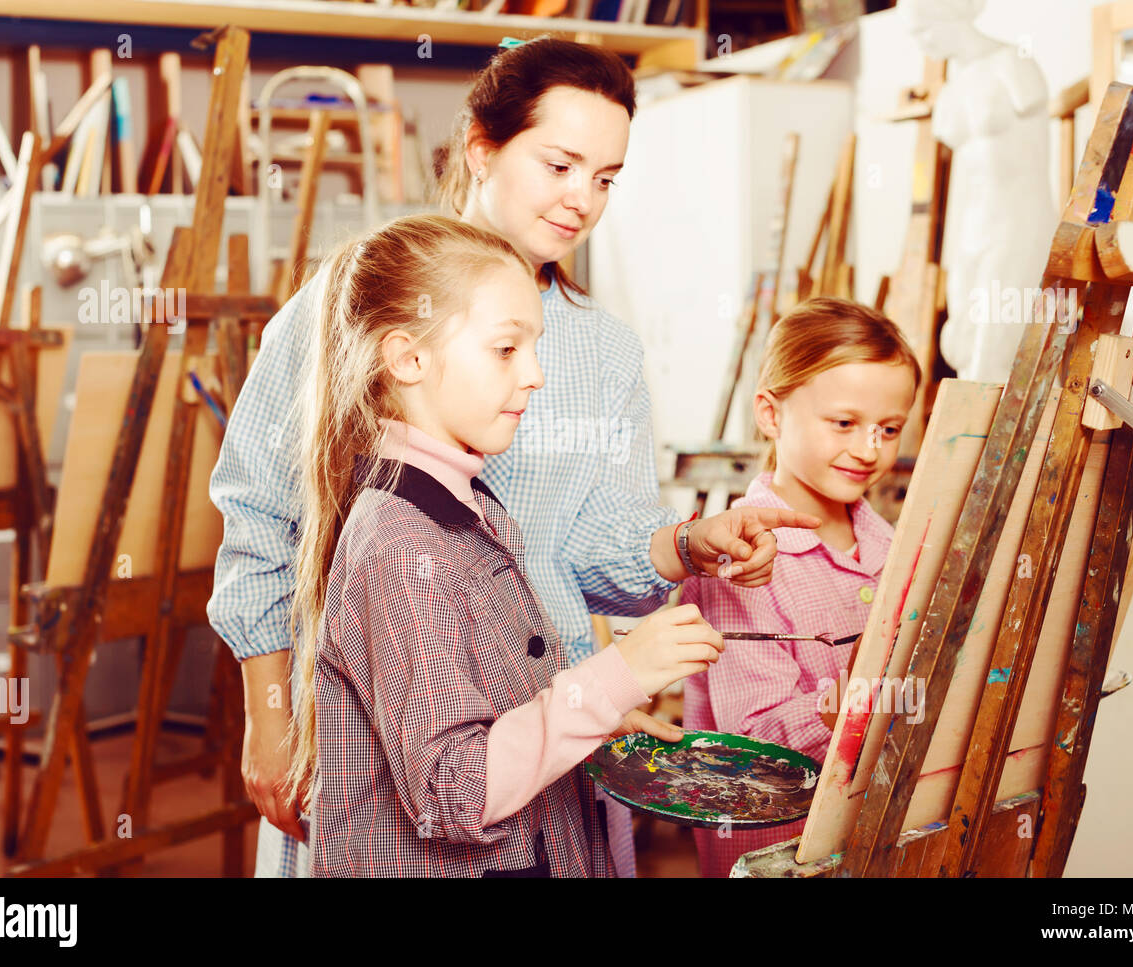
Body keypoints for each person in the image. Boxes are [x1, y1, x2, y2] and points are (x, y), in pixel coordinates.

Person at [208, 38, 820, 877]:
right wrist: (270, 712)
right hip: (400, 740)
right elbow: (260, 515)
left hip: (551, 734)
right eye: (560, 163)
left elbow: (591, 546)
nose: (582, 200)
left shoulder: (601, 349)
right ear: (480, 146)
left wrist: (687, 544)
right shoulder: (353, 303)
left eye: (606, 177)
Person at [293, 214, 732, 875]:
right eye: (506, 349)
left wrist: (597, 713)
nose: (534, 376)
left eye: (535, 349)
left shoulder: (471, 504)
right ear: (408, 357)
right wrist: (617, 676)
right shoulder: (400, 546)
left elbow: (495, 706)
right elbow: (454, 789)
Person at [681, 298, 920, 877]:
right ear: (770, 413)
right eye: (843, 423)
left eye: (888, 429)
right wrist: (860, 695)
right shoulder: (738, 559)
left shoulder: (894, 547)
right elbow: (750, 738)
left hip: (870, 836)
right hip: (773, 851)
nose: (869, 450)